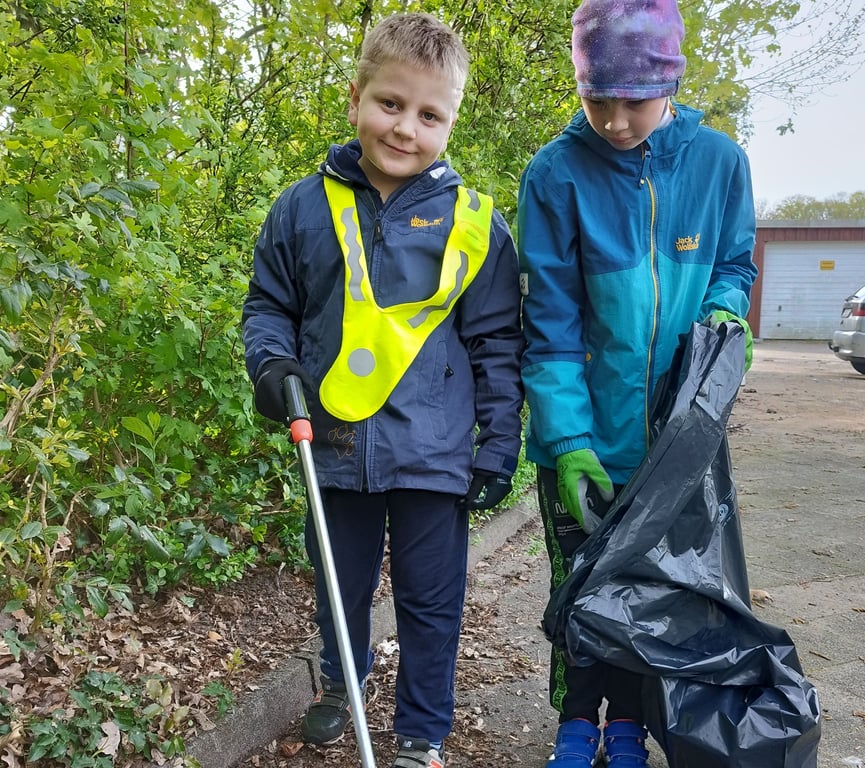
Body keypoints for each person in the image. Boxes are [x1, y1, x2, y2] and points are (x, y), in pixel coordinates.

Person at [241, 12, 524, 768]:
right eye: (390, 104)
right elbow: (270, 304)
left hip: (435, 452)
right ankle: (343, 683)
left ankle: (423, 733)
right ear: (356, 97)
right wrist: (271, 368)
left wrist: (498, 445)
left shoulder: (475, 225)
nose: (405, 129)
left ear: (451, 122)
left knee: (432, 601)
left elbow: (497, 341)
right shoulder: (301, 209)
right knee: (340, 584)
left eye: (429, 115)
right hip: (331, 442)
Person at [516, 0, 758, 765]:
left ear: (671, 81)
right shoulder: (555, 174)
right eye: (597, 99)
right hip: (588, 439)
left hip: (678, 442)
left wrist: (724, 317)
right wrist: (569, 442)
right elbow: (548, 321)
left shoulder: (720, 163)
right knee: (585, 583)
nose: (615, 120)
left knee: (657, 586)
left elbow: (735, 265)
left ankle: (628, 722)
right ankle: (577, 721)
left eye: (634, 100)